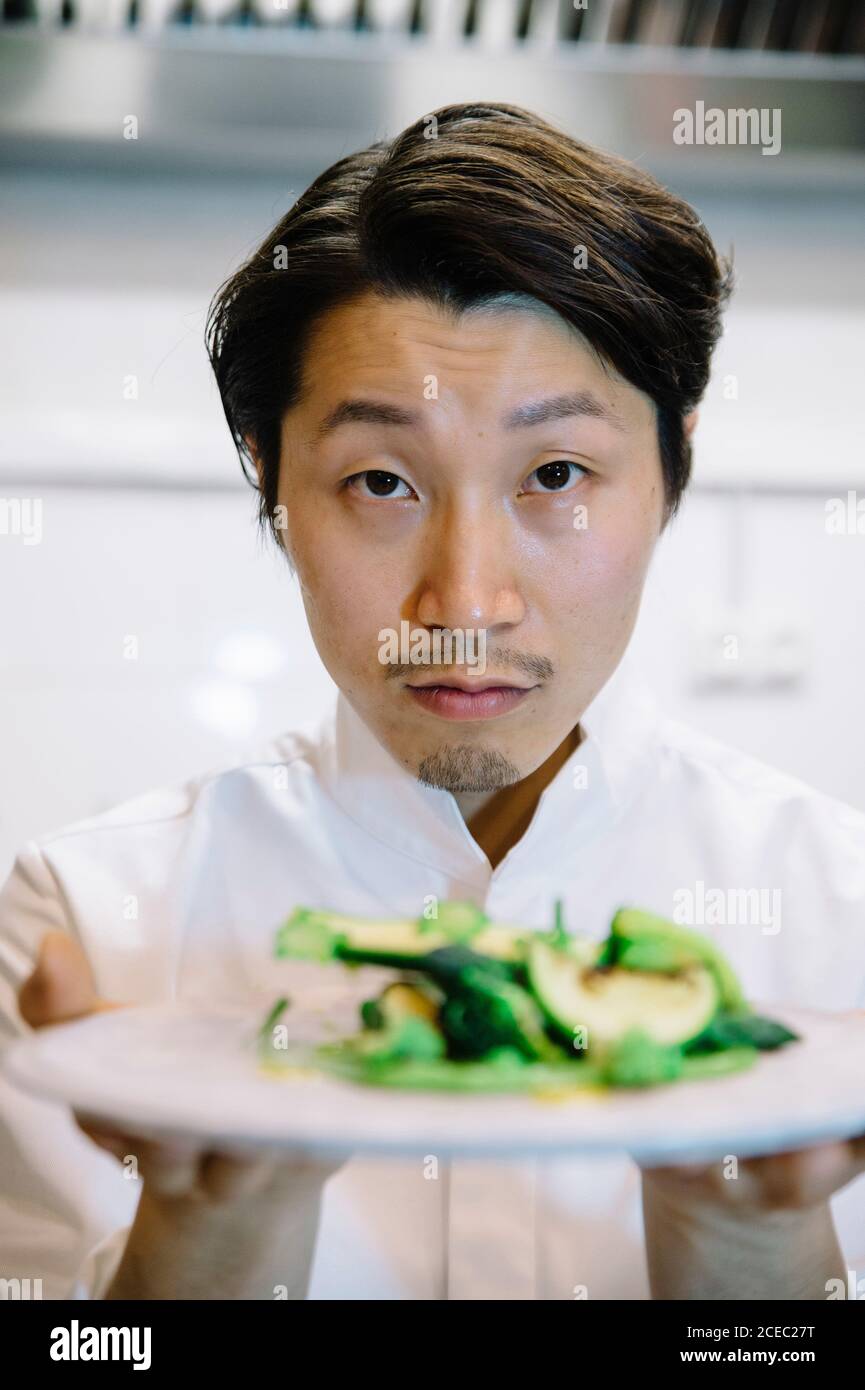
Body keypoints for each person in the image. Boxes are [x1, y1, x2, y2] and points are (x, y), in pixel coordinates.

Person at [1, 102, 864, 1301]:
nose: (466, 599)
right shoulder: (90, 922)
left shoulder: (838, 914)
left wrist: (752, 1249)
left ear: (672, 466)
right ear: (269, 472)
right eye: (381, 480)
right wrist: (202, 1249)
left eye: (555, 473)